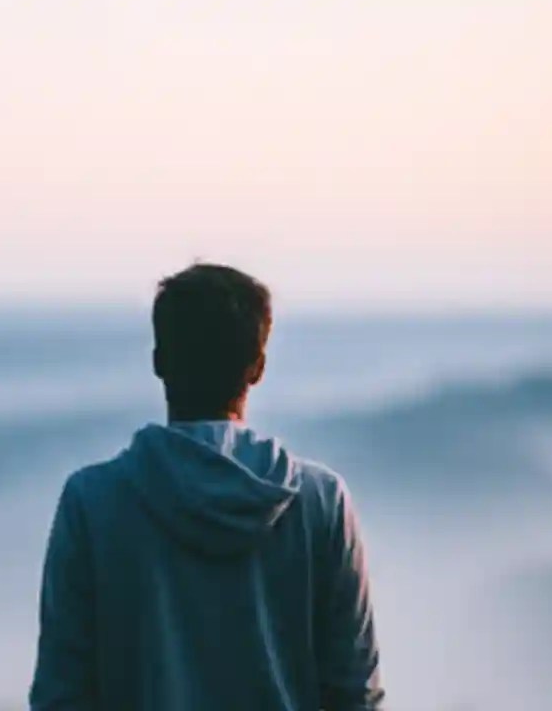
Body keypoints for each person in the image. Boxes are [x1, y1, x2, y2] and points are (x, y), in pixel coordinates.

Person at [29, 263, 384, 710]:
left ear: (159, 361)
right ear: (257, 367)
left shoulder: (92, 503)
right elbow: (355, 694)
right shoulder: (321, 503)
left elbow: (62, 695)